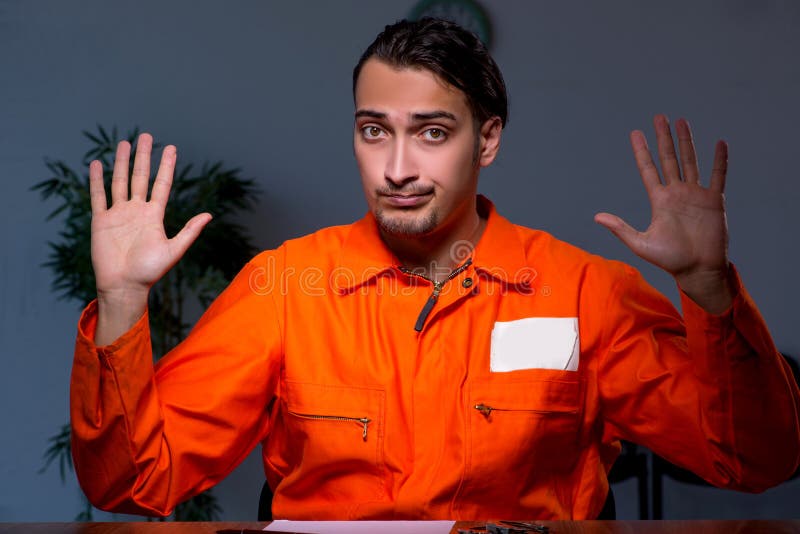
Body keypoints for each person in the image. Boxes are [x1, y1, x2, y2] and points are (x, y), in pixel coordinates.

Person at [70, 18, 800, 520]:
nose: (395, 168)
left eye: (431, 133)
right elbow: (133, 484)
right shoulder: (285, 288)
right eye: (372, 131)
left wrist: (708, 291)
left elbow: (755, 461)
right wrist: (123, 301)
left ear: (486, 141)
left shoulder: (585, 293)